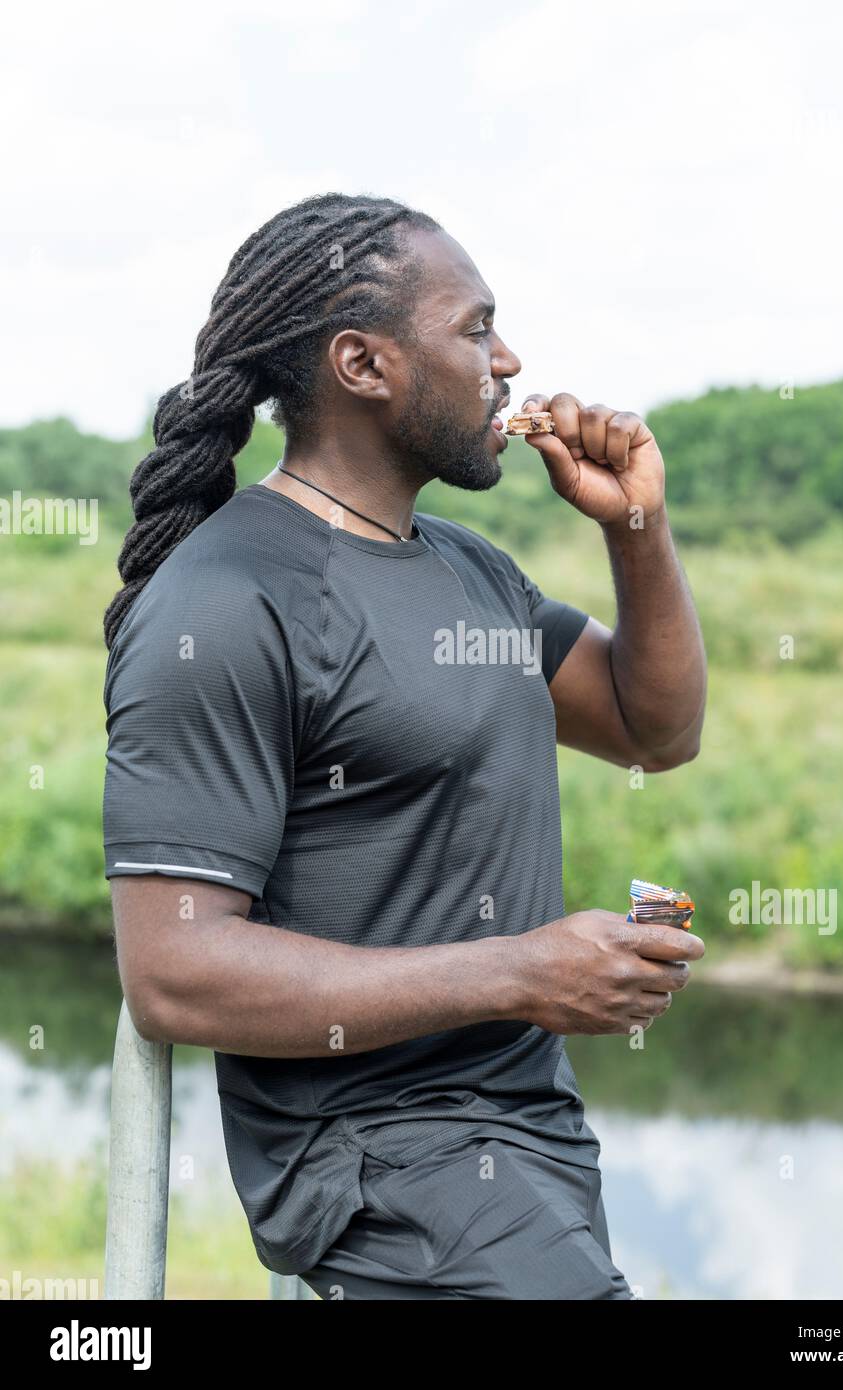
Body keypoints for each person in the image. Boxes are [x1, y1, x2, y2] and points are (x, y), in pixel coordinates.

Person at [102, 192, 707, 1300]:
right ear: (363, 364)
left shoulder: (470, 569)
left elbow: (652, 725)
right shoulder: (227, 599)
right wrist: (524, 969)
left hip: (528, 1148)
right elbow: (175, 974)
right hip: (384, 1170)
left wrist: (636, 525)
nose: (510, 359)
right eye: (476, 329)